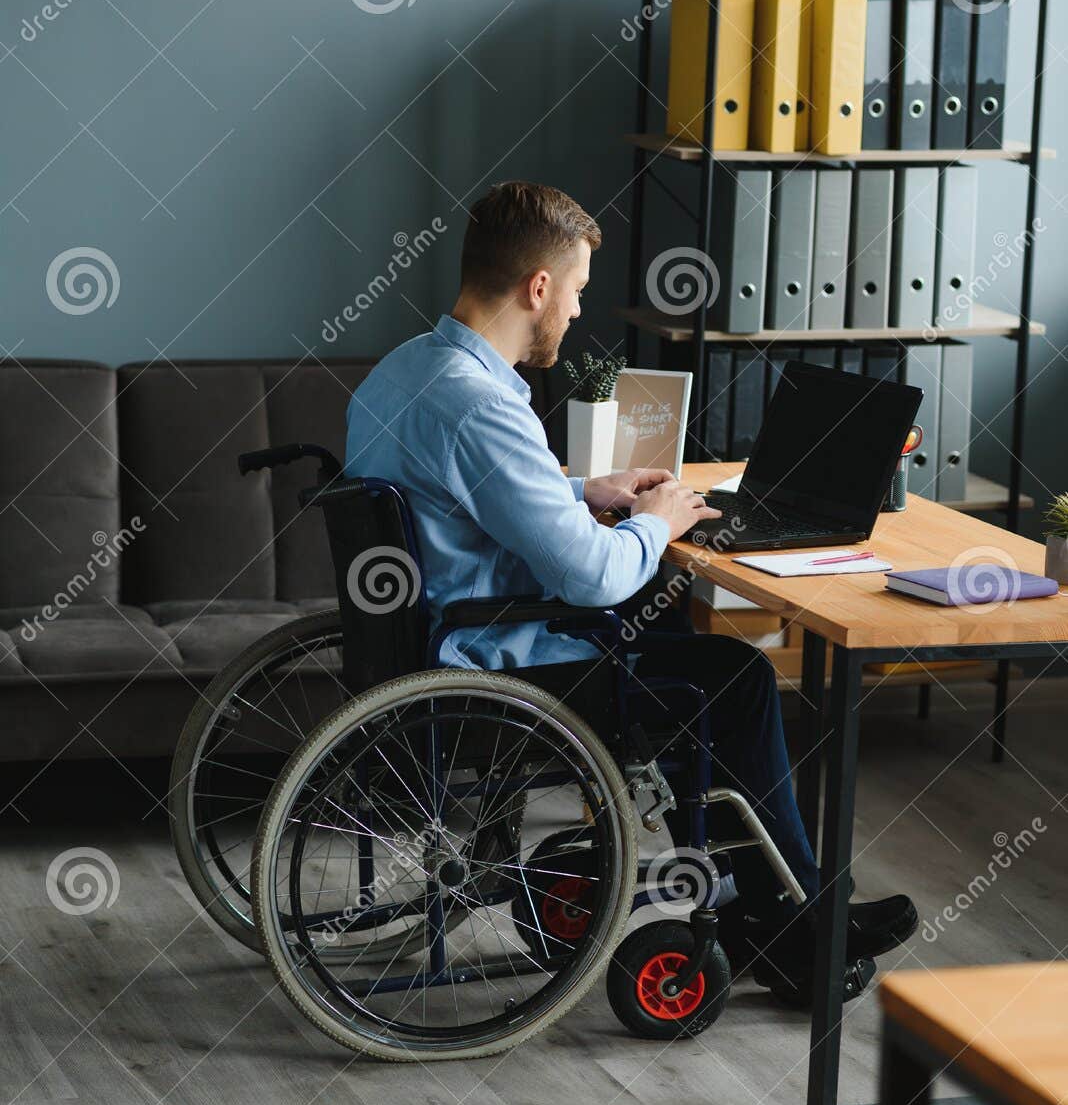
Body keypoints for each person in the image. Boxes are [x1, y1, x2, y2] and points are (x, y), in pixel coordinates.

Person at [345, 181, 917, 1005]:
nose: (577, 312)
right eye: (575, 291)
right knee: (736, 679)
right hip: (495, 664)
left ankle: (774, 915)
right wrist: (653, 522)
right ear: (537, 287)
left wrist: (586, 489)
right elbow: (593, 575)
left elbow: (471, 494)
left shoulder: (414, 367)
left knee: (698, 668)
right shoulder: (478, 405)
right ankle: (800, 920)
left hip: (430, 641)